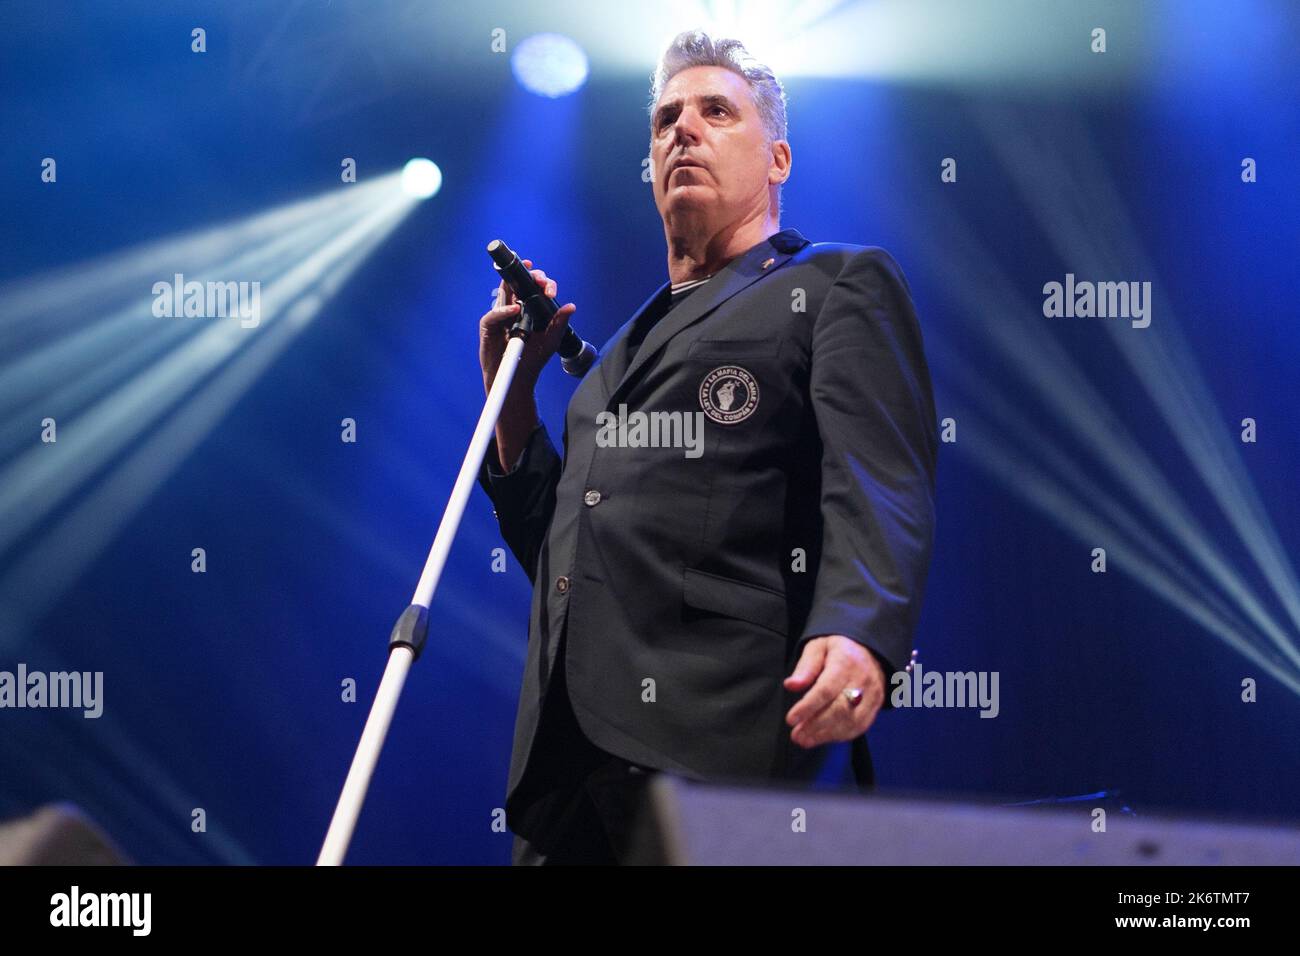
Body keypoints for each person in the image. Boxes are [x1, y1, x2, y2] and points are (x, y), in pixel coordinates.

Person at [476, 30, 938, 864]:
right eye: (663, 120)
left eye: (714, 111)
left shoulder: (834, 284)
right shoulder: (610, 361)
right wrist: (509, 390)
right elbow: (563, 552)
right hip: (568, 781)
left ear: (778, 159)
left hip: (719, 739)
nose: (681, 130)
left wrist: (860, 628)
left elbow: (880, 477)